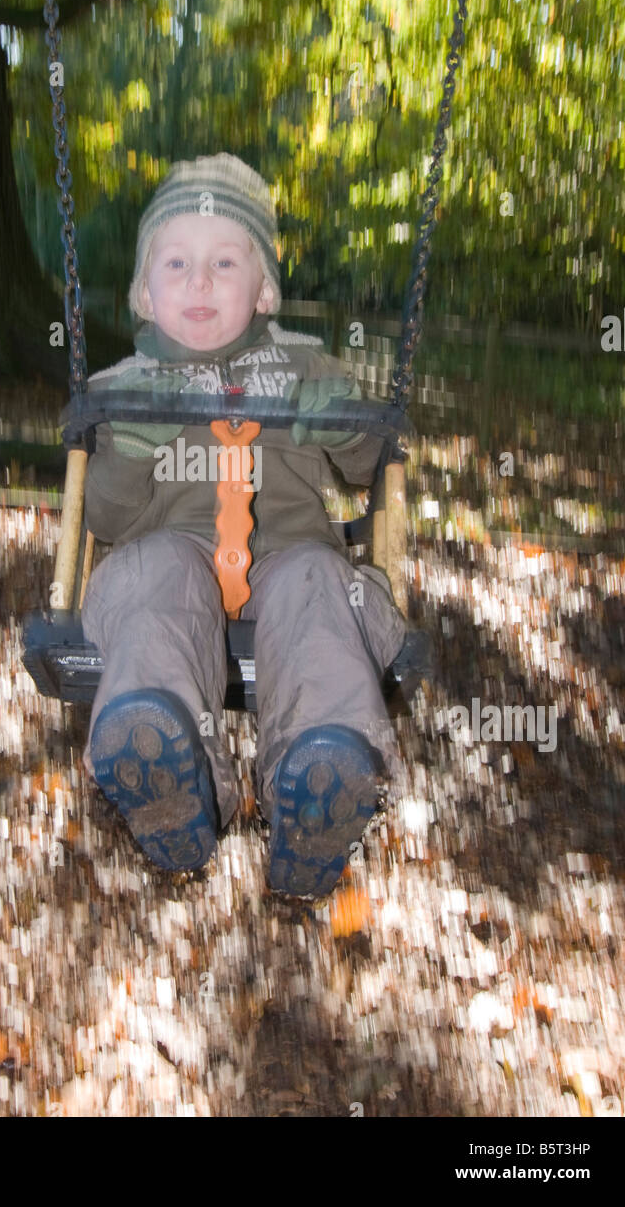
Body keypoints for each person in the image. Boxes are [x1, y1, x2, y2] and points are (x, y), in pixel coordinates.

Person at [79, 153, 406, 898]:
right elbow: (102, 515)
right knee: (156, 577)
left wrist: (348, 417)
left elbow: (366, 465)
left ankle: (320, 772)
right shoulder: (120, 389)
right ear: (142, 291)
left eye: (224, 262)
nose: (199, 281)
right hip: (170, 565)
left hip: (288, 561)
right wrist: (128, 448)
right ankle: (172, 771)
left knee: (322, 586)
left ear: (262, 291)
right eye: (176, 262)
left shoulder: (303, 364)